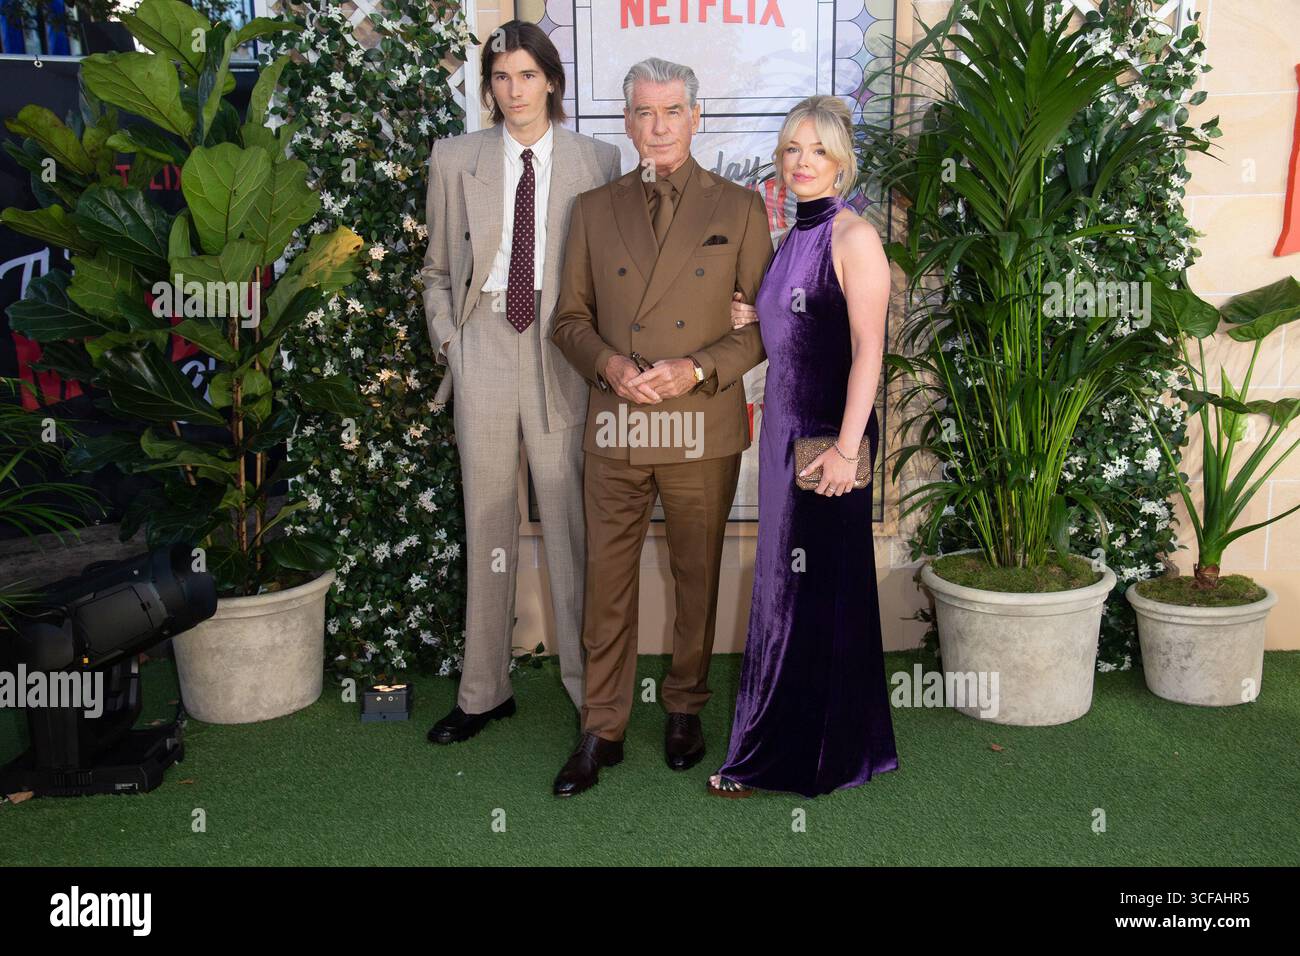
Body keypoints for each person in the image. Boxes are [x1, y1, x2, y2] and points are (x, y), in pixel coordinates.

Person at [548, 58, 773, 797]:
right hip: (616, 423)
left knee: (695, 576)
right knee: (606, 581)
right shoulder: (593, 207)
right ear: (626, 118)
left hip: (700, 427)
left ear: (695, 116)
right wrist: (610, 366)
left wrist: (697, 369)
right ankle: (601, 726)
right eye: (643, 112)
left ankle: (684, 707)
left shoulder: (739, 208)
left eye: (671, 111)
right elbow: (568, 321)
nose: (657, 126)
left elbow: (764, 330)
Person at [418, 21, 621, 744]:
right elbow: (436, 270)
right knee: (487, 522)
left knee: (570, 524)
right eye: (501, 77)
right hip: (483, 346)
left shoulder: (598, 159)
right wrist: (451, 341)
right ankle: (481, 692)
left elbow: (613, 274)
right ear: (489, 86)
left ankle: (589, 699)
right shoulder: (454, 158)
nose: (514, 91)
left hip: (560, 350)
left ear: (552, 82)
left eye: (526, 76)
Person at [706, 95, 898, 798]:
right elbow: (788, 325)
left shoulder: (854, 238)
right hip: (788, 436)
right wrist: (749, 310)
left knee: (812, 594)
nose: (802, 163)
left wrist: (847, 451)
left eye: (817, 151)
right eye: (792, 150)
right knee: (790, 590)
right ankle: (816, 743)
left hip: (827, 438)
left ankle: (803, 755)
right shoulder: (792, 238)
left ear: (842, 163)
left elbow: (871, 350)